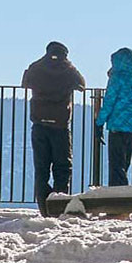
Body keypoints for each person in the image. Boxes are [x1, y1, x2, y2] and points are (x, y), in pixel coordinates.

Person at [22, 41, 86, 213]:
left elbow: (25, 82)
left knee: (41, 169)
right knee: (62, 167)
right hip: (60, 125)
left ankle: (44, 206)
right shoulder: (68, 70)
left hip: (39, 124)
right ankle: (58, 204)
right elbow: (82, 84)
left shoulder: (36, 67)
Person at [97, 48, 132, 186]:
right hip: (131, 126)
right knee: (125, 165)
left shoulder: (116, 78)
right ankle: (123, 194)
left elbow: (109, 101)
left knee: (116, 166)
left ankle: (117, 198)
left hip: (117, 126)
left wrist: (99, 122)